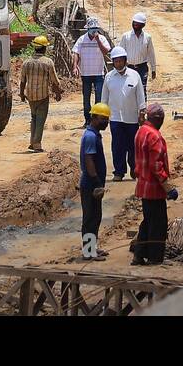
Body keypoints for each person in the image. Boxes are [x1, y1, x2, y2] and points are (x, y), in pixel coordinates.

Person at [131, 103, 178, 265]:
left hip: (143, 185)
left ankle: (139, 255)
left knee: (148, 221)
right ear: (159, 119)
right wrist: (168, 187)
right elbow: (156, 165)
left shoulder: (141, 132)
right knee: (158, 224)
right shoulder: (154, 136)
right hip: (154, 188)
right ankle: (155, 258)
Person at [102, 46, 146, 181]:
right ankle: (119, 172)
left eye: (121, 61)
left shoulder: (134, 76)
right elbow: (104, 98)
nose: (119, 64)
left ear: (126, 61)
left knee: (133, 146)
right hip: (115, 118)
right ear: (113, 62)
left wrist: (142, 111)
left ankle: (134, 168)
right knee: (117, 146)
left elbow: (140, 95)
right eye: (116, 61)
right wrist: (103, 114)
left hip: (131, 118)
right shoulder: (109, 78)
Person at [17, 35, 62, 152]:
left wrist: (22, 94)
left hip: (30, 96)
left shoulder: (26, 63)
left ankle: (32, 141)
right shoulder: (48, 62)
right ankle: (37, 144)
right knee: (40, 120)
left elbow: (22, 81)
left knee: (34, 118)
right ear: (44, 48)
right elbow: (55, 81)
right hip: (43, 96)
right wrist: (58, 93)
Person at [80, 102, 111, 260]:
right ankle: (88, 252)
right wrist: (97, 182)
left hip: (94, 183)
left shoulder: (94, 134)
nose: (106, 122)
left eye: (107, 119)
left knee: (96, 217)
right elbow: (89, 160)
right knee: (90, 218)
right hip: (90, 184)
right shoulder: (91, 136)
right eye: (103, 119)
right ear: (94, 118)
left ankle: (92, 247)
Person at [72, 16, 111, 123]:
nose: (94, 31)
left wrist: (98, 40)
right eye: (92, 29)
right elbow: (76, 53)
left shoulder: (102, 39)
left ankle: (97, 120)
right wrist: (75, 66)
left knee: (99, 98)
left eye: (95, 29)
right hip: (86, 73)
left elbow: (105, 52)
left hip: (98, 73)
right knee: (86, 98)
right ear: (87, 29)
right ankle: (88, 120)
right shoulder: (81, 39)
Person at [119, 12, 157, 92]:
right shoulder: (126, 36)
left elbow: (151, 54)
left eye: (137, 23)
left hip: (142, 68)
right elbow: (120, 53)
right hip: (129, 68)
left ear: (143, 25)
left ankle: (143, 105)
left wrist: (153, 69)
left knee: (142, 90)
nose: (135, 25)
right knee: (129, 91)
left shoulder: (147, 37)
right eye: (134, 23)